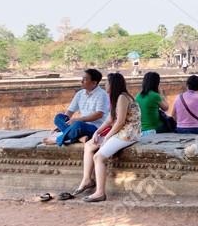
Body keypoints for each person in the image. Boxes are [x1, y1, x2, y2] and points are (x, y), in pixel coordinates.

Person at [68, 73, 142, 203]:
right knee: (89, 145)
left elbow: (119, 122)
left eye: (107, 83)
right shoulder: (115, 97)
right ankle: (87, 179)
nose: (105, 85)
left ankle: (100, 193)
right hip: (122, 132)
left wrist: (107, 137)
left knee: (99, 157)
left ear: (112, 85)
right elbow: (110, 119)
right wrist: (98, 132)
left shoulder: (122, 98)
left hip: (128, 134)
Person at [43, 69, 110, 145]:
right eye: (82, 78)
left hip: (95, 127)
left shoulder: (102, 95)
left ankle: (58, 139)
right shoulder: (80, 94)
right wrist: (65, 123)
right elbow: (70, 111)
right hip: (80, 125)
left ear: (94, 83)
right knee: (59, 118)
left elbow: (99, 114)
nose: (81, 81)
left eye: (85, 79)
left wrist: (78, 120)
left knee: (78, 125)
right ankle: (79, 137)